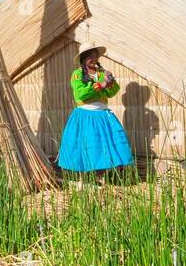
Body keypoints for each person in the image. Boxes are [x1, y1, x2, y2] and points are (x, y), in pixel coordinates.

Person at [57, 41, 134, 176]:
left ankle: (104, 175)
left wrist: (110, 82)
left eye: (95, 56)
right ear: (83, 59)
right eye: (89, 56)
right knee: (90, 144)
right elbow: (80, 93)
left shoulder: (101, 73)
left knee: (107, 144)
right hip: (86, 115)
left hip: (103, 115)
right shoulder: (77, 74)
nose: (93, 59)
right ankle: (89, 176)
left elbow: (112, 92)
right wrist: (99, 85)